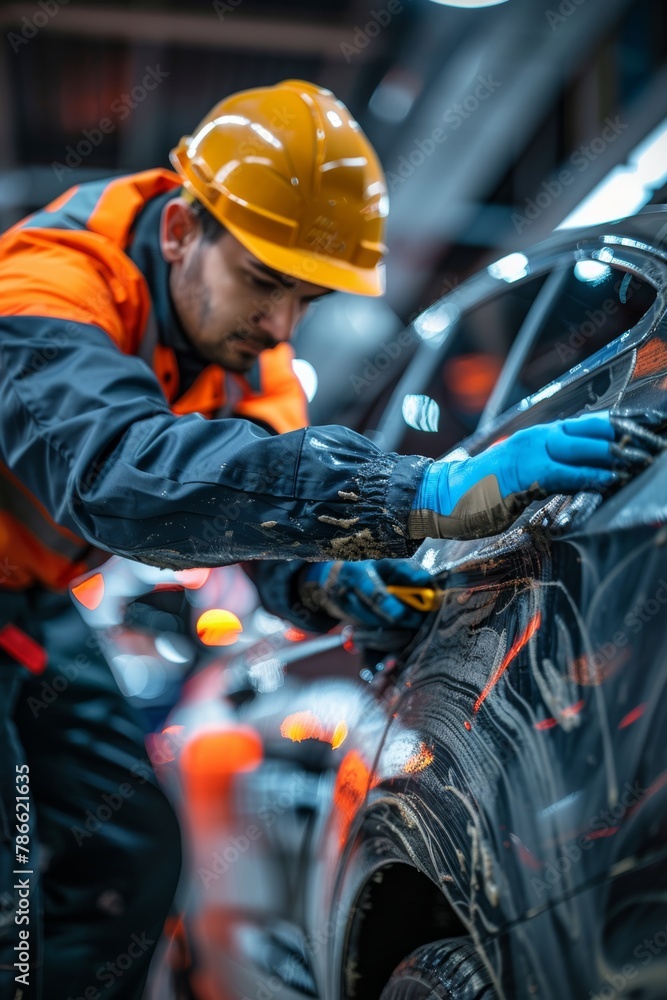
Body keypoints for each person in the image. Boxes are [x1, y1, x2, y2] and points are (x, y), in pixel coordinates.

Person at [0, 80, 621, 998]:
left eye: (307, 298)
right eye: (264, 283)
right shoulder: (46, 283)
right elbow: (117, 472)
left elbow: (268, 520)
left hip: (30, 598)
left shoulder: (245, 358)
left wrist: (347, 586)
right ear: (181, 232)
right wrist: (429, 491)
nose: (280, 328)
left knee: (126, 852)